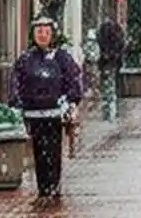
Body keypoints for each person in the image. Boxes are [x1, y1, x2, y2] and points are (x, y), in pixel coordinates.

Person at [10, 15, 83, 200]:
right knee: (39, 150)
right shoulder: (26, 59)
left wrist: (70, 101)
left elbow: (73, 80)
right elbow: (16, 82)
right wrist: (17, 103)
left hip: (55, 113)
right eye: (39, 32)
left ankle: (53, 184)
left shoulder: (62, 58)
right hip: (34, 114)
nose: (43, 35)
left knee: (53, 149)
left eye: (47, 32)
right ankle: (44, 186)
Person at [96, 20, 125, 122]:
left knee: (106, 86)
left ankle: (107, 112)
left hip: (106, 63)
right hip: (113, 62)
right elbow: (121, 46)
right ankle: (112, 111)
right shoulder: (117, 36)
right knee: (112, 86)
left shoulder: (103, 37)